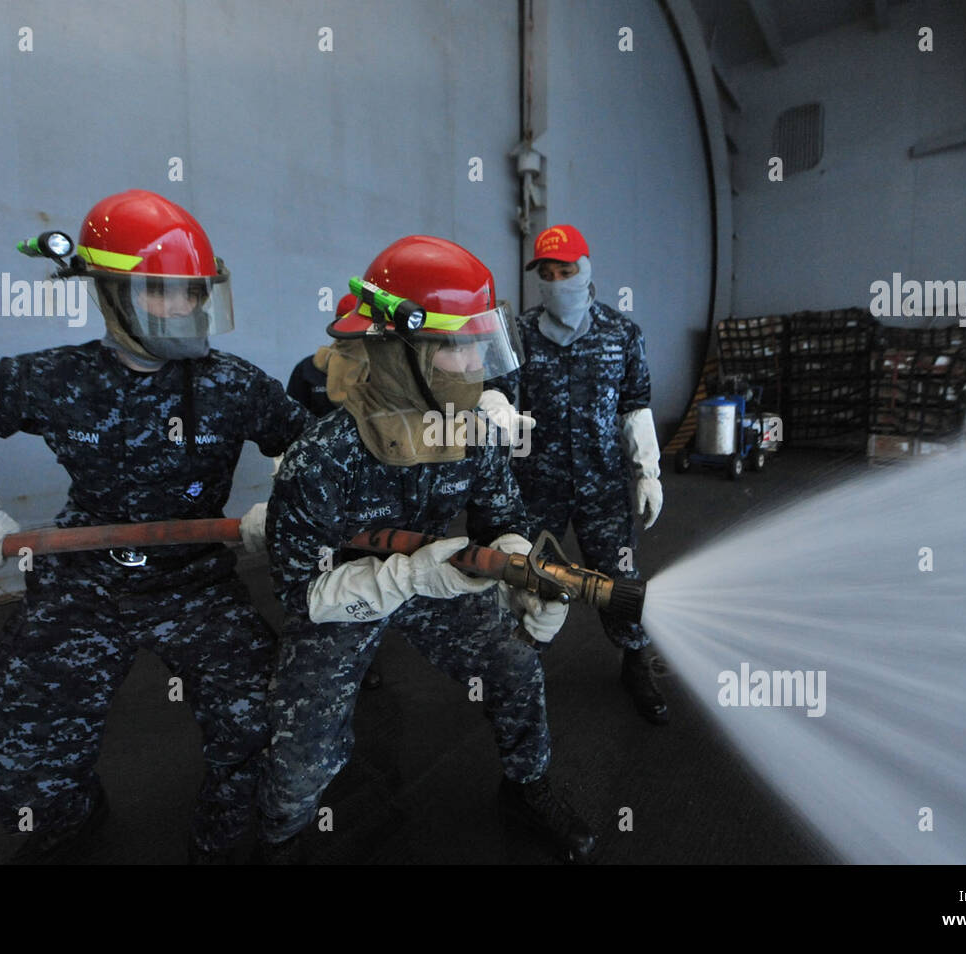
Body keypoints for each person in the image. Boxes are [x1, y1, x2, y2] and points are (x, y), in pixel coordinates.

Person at [0, 189, 311, 863]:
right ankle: (69, 823)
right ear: (111, 294)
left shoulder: (234, 384)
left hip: (196, 582)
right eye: (163, 293)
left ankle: (224, 846)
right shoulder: (55, 377)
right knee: (23, 753)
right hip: (84, 579)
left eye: (193, 293)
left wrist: (287, 503)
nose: (184, 310)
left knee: (265, 725)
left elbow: (303, 448)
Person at [250, 235, 596, 863]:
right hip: (342, 592)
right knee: (302, 746)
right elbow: (301, 595)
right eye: (460, 350)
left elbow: (500, 518)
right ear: (400, 348)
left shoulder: (473, 429)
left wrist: (523, 570)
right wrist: (403, 579)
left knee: (513, 665)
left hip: (438, 575)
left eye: (481, 346)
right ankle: (281, 834)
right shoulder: (323, 455)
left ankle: (526, 786)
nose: (478, 369)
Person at [490, 224, 668, 725]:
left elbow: (635, 406)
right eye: (546, 273)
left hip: (602, 485)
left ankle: (634, 659)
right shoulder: (518, 335)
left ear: (586, 271)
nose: (556, 281)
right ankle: (522, 666)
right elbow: (496, 402)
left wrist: (647, 472)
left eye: (565, 270)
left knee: (620, 576)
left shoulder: (621, 333)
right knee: (527, 574)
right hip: (536, 484)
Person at [285, 294, 382, 690]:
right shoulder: (310, 371)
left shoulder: (380, 371)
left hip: (367, 490)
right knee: (315, 574)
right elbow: (290, 425)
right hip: (317, 487)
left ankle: (364, 653)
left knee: (367, 571)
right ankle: (319, 647)